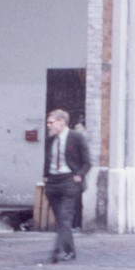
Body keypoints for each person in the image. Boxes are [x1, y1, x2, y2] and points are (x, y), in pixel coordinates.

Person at [43, 109, 91, 261]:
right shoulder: (49, 140)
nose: (48, 126)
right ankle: (70, 251)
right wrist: (45, 176)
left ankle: (57, 251)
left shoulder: (76, 137)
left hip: (69, 181)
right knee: (61, 220)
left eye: (51, 122)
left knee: (65, 217)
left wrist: (79, 175)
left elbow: (87, 162)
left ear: (61, 122)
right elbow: (47, 160)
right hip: (53, 182)